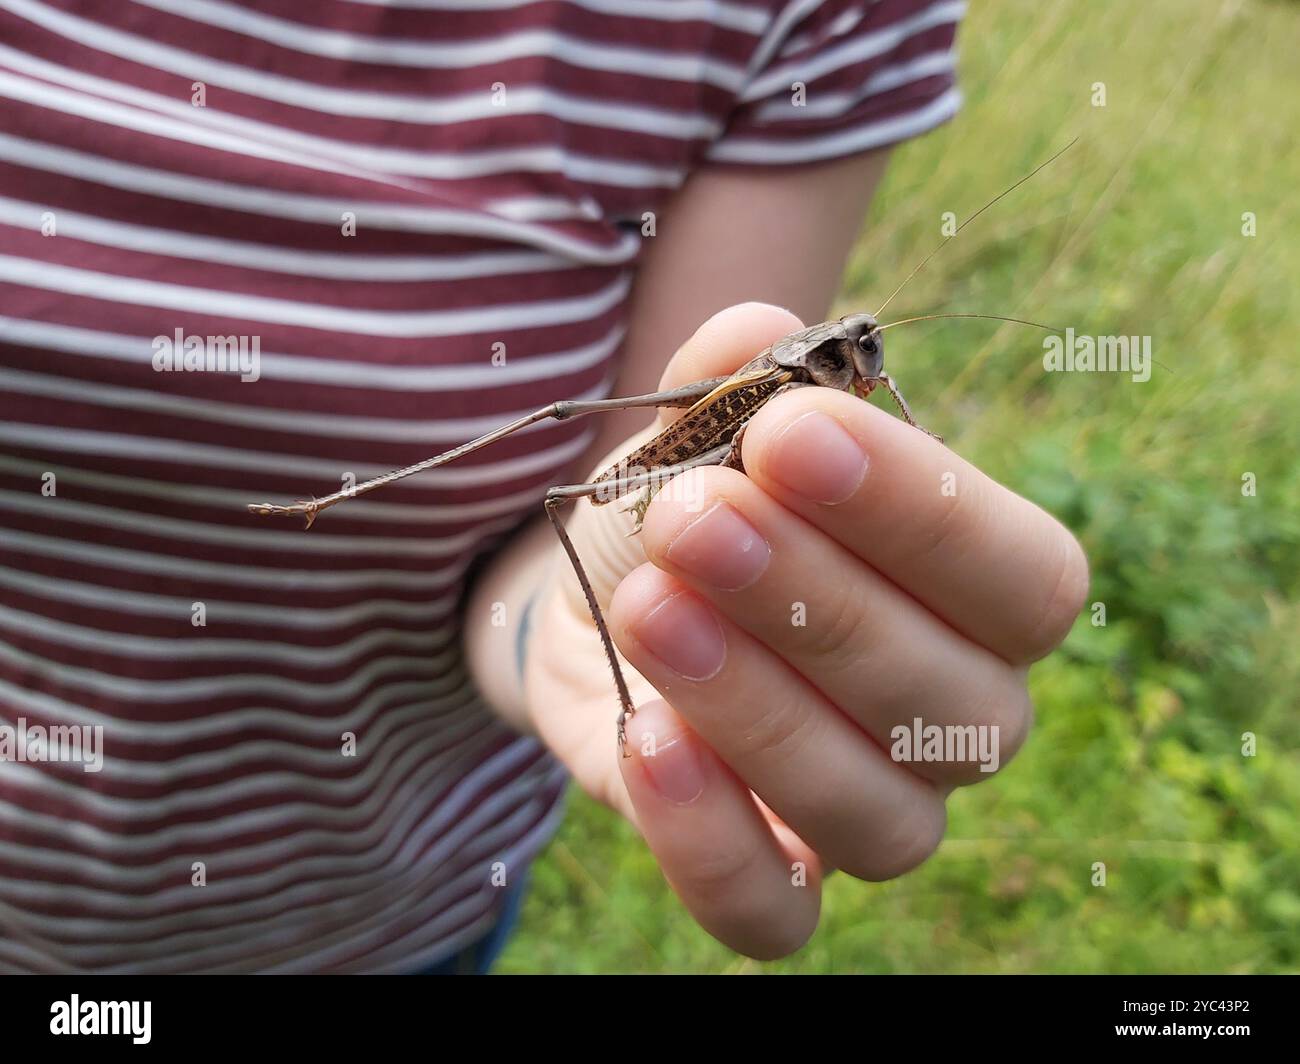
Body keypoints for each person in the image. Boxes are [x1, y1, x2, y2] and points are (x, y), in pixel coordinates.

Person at [0, 0, 1086, 972]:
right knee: (575, 427)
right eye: (854, 347)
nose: (864, 355)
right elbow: (680, 432)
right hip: (678, 449)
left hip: (399, 917)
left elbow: (779, 461)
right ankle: (342, 493)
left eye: (863, 348)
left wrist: (595, 617)